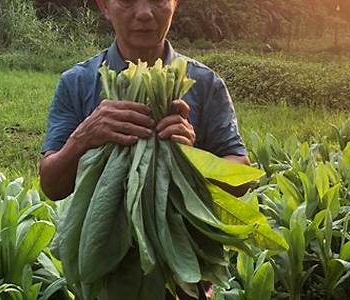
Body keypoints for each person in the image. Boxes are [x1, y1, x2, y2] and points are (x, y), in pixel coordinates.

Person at [39, 0, 249, 298]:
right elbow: (51, 184)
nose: (144, 13)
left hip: (183, 277)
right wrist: (84, 136)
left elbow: (242, 173)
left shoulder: (204, 83)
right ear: (104, 6)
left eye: (158, 0)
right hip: (107, 275)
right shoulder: (77, 82)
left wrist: (191, 158)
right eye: (126, 0)